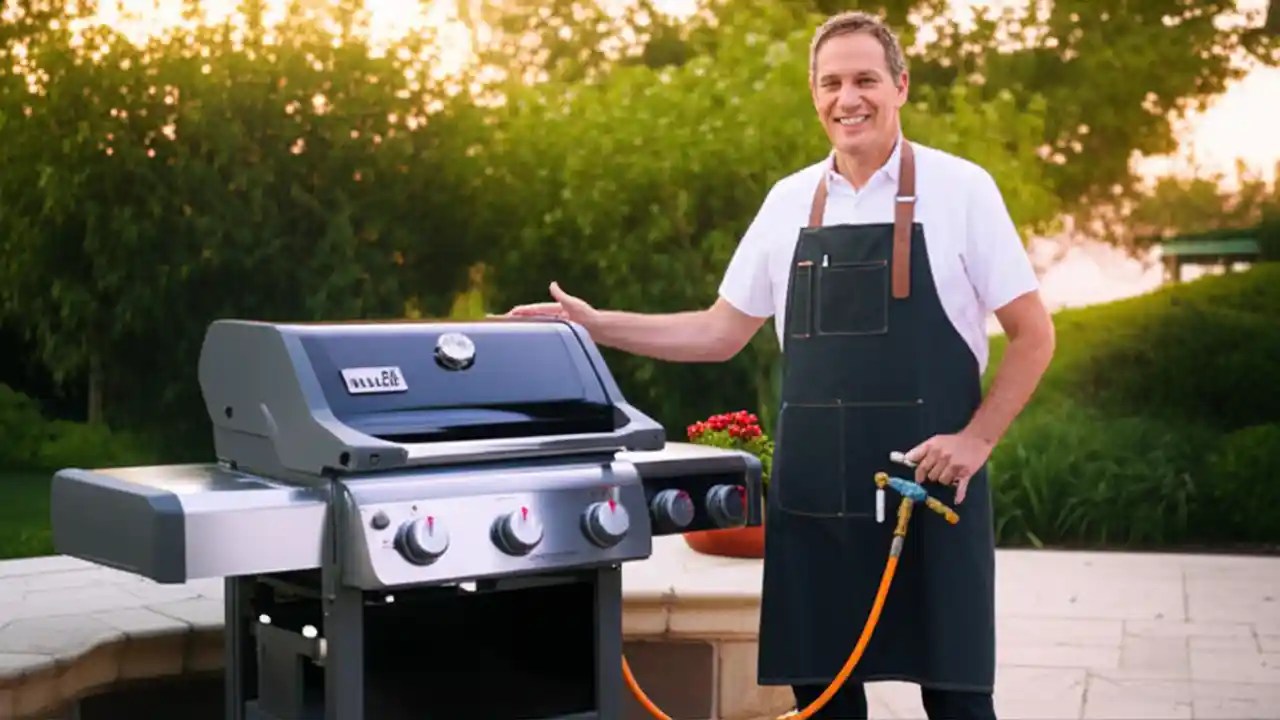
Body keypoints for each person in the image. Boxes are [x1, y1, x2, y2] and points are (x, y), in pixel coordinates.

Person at [507, 10, 1055, 719]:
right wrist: (594, 324)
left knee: (956, 699)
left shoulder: (963, 190)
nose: (847, 98)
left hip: (927, 490)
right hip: (814, 494)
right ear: (814, 94)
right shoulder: (789, 201)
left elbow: (1033, 334)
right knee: (821, 700)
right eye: (831, 83)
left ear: (900, 86)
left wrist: (976, 440)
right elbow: (717, 332)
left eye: (865, 80)